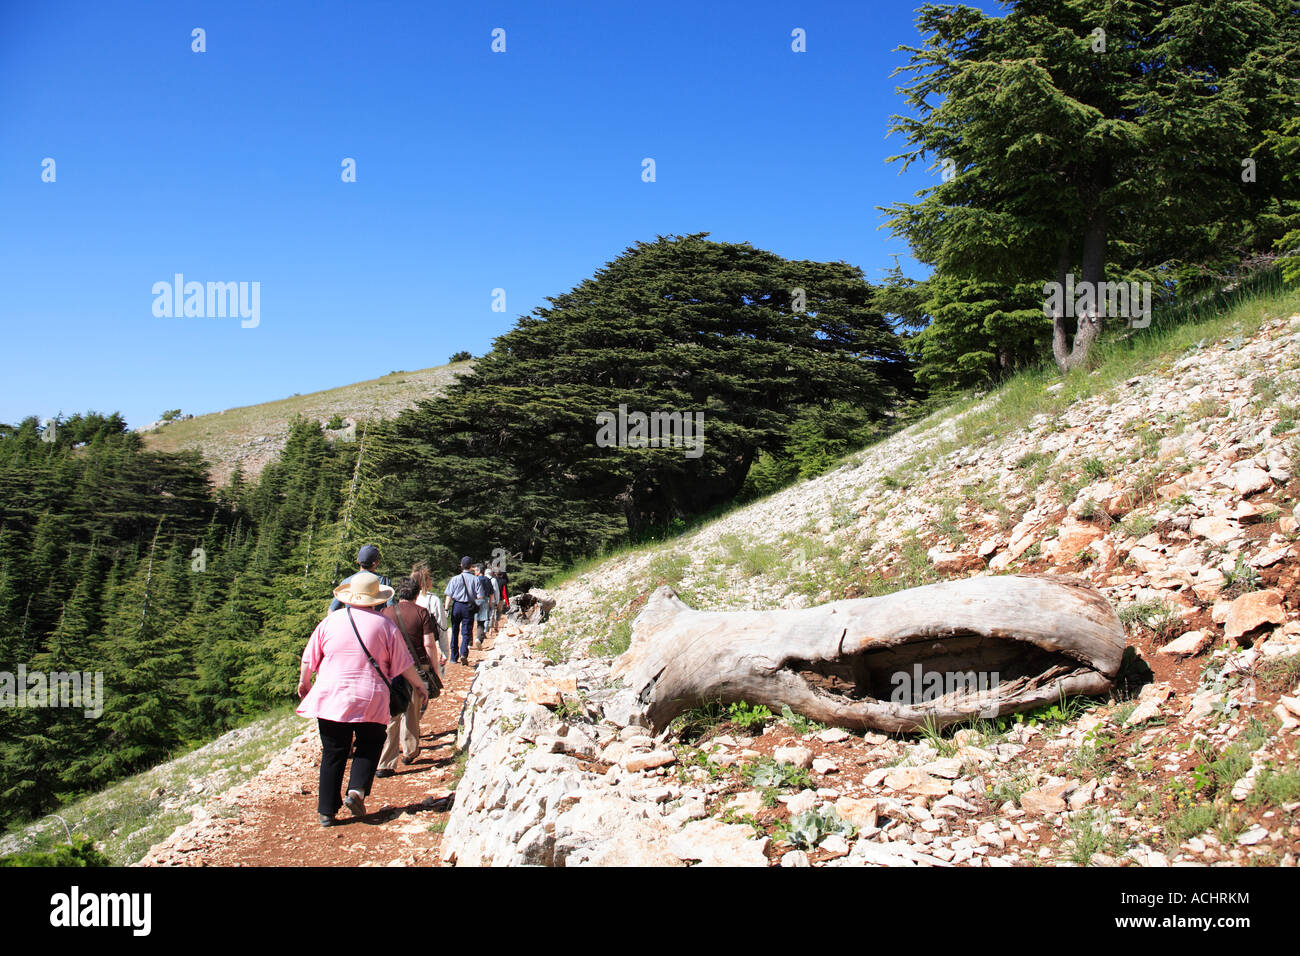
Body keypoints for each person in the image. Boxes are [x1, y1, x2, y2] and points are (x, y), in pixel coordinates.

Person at [297, 571, 426, 827]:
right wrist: (419, 685)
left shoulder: (329, 623)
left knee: (333, 751)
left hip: (331, 697)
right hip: (371, 697)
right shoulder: (385, 625)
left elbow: (309, 658)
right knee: (370, 743)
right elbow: (403, 663)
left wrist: (304, 683)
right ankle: (356, 791)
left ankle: (326, 811)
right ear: (375, 599)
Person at [376, 577, 442, 778]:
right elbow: (429, 644)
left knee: (391, 714)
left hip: (392, 668)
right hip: (416, 665)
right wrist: (434, 668)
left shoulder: (385, 613)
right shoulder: (422, 613)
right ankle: (410, 751)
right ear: (416, 594)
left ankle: (385, 762)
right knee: (413, 709)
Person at [444, 557, 486, 665]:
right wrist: (476, 605)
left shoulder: (454, 579)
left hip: (457, 605)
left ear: (461, 565)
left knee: (454, 630)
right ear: (471, 566)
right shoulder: (475, 579)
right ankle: (463, 653)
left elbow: (448, 595)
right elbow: (480, 596)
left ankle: (453, 657)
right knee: (466, 631)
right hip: (469, 606)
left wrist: (446, 608)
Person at [329, 544, 395, 612]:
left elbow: (331, 610)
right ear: (376, 562)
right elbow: (391, 608)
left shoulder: (346, 582)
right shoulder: (384, 581)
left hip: (352, 621)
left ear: (358, 561)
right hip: (375, 621)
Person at [412, 561, 450, 677]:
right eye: (428, 578)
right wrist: (445, 652)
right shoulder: (433, 600)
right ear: (424, 581)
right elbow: (442, 627)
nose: (431, 580)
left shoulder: (408, 599)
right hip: (427, 648)